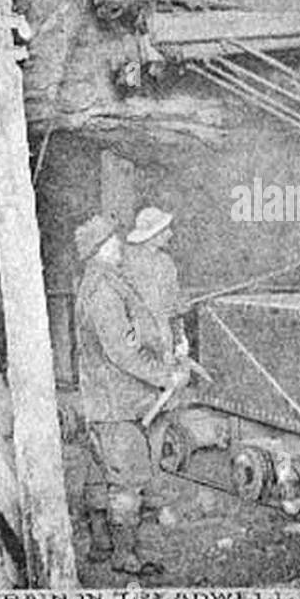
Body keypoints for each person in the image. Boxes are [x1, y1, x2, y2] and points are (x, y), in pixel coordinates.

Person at [74, 213, 188, 577]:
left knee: (99, 474)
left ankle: (100, 543)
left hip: (100, 400)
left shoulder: (98, 283)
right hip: (116, 404)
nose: (119, 245)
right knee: (127, 481)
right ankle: (125, 555)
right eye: (112, 241)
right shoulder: (104, 293)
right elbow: (122, 352)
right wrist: (163, 374)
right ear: (100, 249)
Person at [123, 206, 188, 359]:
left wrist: (180, 339)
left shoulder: (166, 262)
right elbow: (125, 309)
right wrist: (130, 346)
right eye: (165, 230)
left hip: (164, 334)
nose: (170, 234)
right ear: (154, 234)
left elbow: (174, 303)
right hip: (139, 335)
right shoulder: (128, 263)